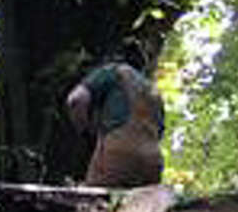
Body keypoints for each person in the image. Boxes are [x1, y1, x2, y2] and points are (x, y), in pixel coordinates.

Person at [66, 40, 167, 188]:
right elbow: (160, 132)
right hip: (153, 163)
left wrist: (84, 130)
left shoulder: (114, 71)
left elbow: (75, 100)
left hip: (118, 154)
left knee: (93, 205)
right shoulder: (155, 93)